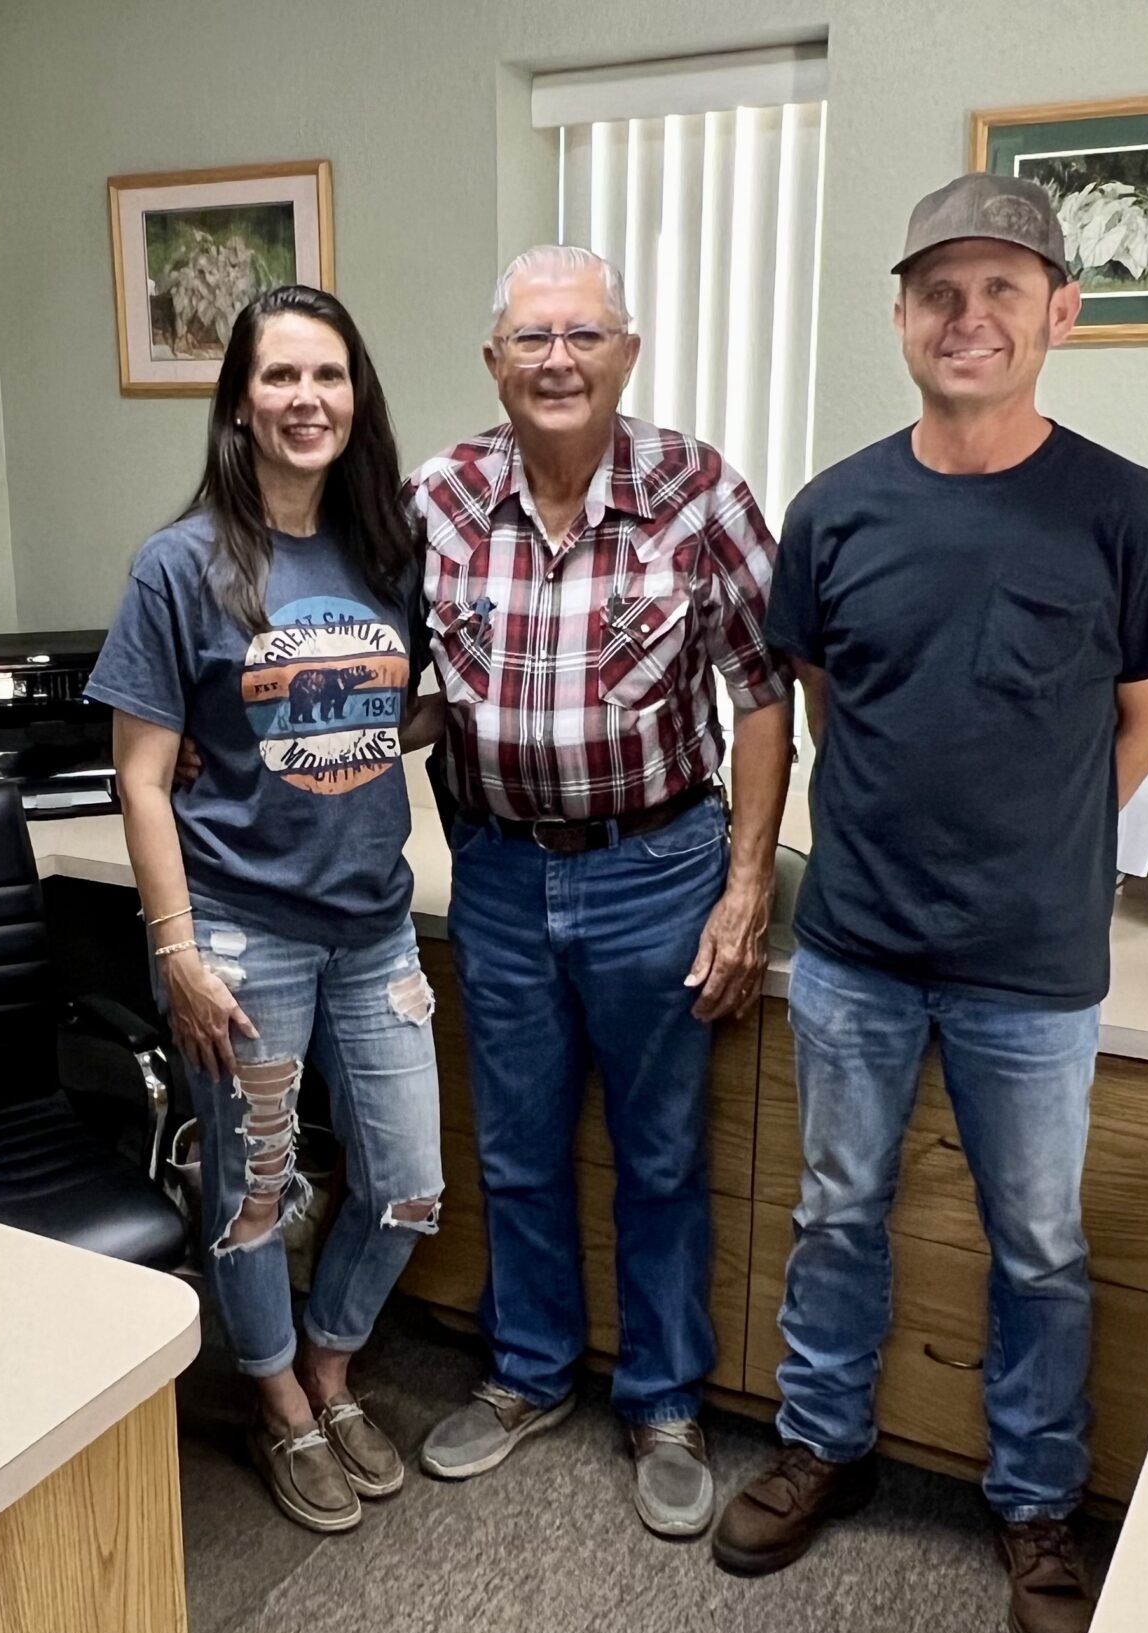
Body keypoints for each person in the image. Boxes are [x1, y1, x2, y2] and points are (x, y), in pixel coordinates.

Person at [710, 174, 1148, 1633]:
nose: (968, 316)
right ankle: (822, 1446)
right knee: (835, 1212)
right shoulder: (834, 509)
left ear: (1063, 312)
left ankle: (1036, 1503)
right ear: (901, 317)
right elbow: (826, 701)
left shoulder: (1124, 510)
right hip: (856, 948)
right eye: (940, 290)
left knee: (1039, 1245)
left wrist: (1037, 845)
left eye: (1003, 288)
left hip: (1030, 965)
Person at [410, 245, 794, 1541]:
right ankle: (529, 1374)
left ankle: (665, 1401)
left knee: (660, 1156)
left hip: (657, 871)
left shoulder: (699, 491)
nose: (558, 360)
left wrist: (746, 886)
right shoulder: (437, 499)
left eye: (583, 335)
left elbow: (762, 694)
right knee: (515, 1148)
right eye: (532, 338)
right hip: (499, 871)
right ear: (494, 361)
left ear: (626, 352)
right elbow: (380, 676)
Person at [87, 284, 446, 1537]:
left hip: (373, 924)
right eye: (281, 376)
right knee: (255, 1191)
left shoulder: (388, 551)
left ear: (357, 396)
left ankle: (332, 1363)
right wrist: (177, 952)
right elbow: (140, 776)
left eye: (328, 376)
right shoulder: (180, 565)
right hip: (243, 933)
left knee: (407, 1181)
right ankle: (279, 1397)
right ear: (239, 401)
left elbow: (389, 705)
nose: (307, 399)